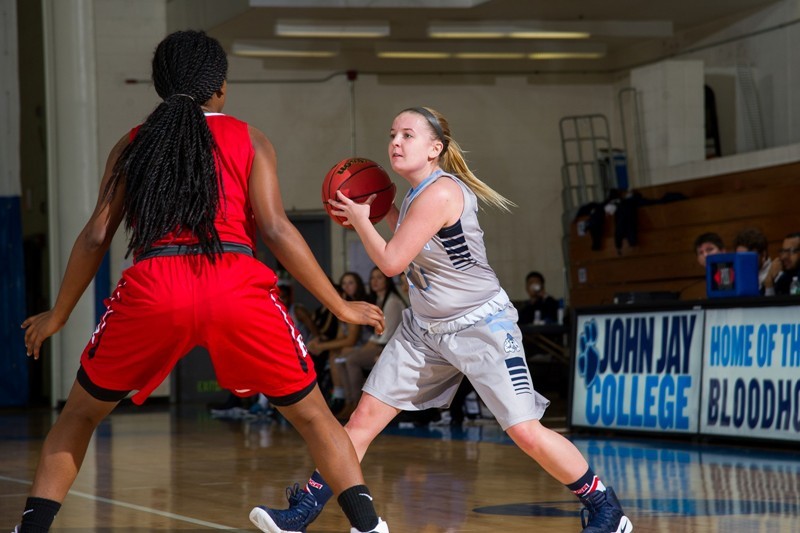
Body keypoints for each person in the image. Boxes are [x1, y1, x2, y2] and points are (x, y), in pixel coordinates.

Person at [15, 31, 389, 533]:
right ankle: (369, 528)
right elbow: (277, 230)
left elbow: (96, 236)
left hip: (155, 284)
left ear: (161, 85)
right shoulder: (251, 138)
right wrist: (342, 306)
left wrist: (58, 313)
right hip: (235, 281)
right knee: (316, 417)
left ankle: (32, 528)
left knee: (78, 416)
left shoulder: (132, 144)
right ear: (220, 88)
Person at [252, 106, 631, 533]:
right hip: (426, 329)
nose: (395, 141)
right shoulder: (415, 195)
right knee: (361, 421)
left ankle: (605, 506)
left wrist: (362, 221)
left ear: (435, 148)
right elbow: (410, 240)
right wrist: (382, 212)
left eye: (408, 135)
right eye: (392, 133)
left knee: (525, 432)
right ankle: (305, 510)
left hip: (481, 326)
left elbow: (393, 262)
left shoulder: (442, 193)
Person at [338, 267, 407, 420]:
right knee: (341, 359)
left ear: (387, 281)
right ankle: (348, 401)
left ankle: (356, 404)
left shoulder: (393, 302)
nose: (374, 281)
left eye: (379, 278)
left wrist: (363, 348)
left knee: (351, 359)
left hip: (388, 347)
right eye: (372, 278)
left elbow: (385, 335)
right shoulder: (377, 300)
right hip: (378, 344)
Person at [306, 271, 370, 414]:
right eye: (344, 284)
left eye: (350, 283)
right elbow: (341, 337)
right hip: (356, 345)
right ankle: (344, 400)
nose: (346, 287)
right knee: (335, 354)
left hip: (367, 345)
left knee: (341, 356)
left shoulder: (357, 305)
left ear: (358, 285)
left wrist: (321, 346)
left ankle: (352, 402)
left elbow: (351, 340)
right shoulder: (344, 307)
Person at [732, 227, 772, 293]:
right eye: (739, 258)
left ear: (763, 255)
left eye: (746, 258)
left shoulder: (777, 277)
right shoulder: (736, 278)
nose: (742, 264)